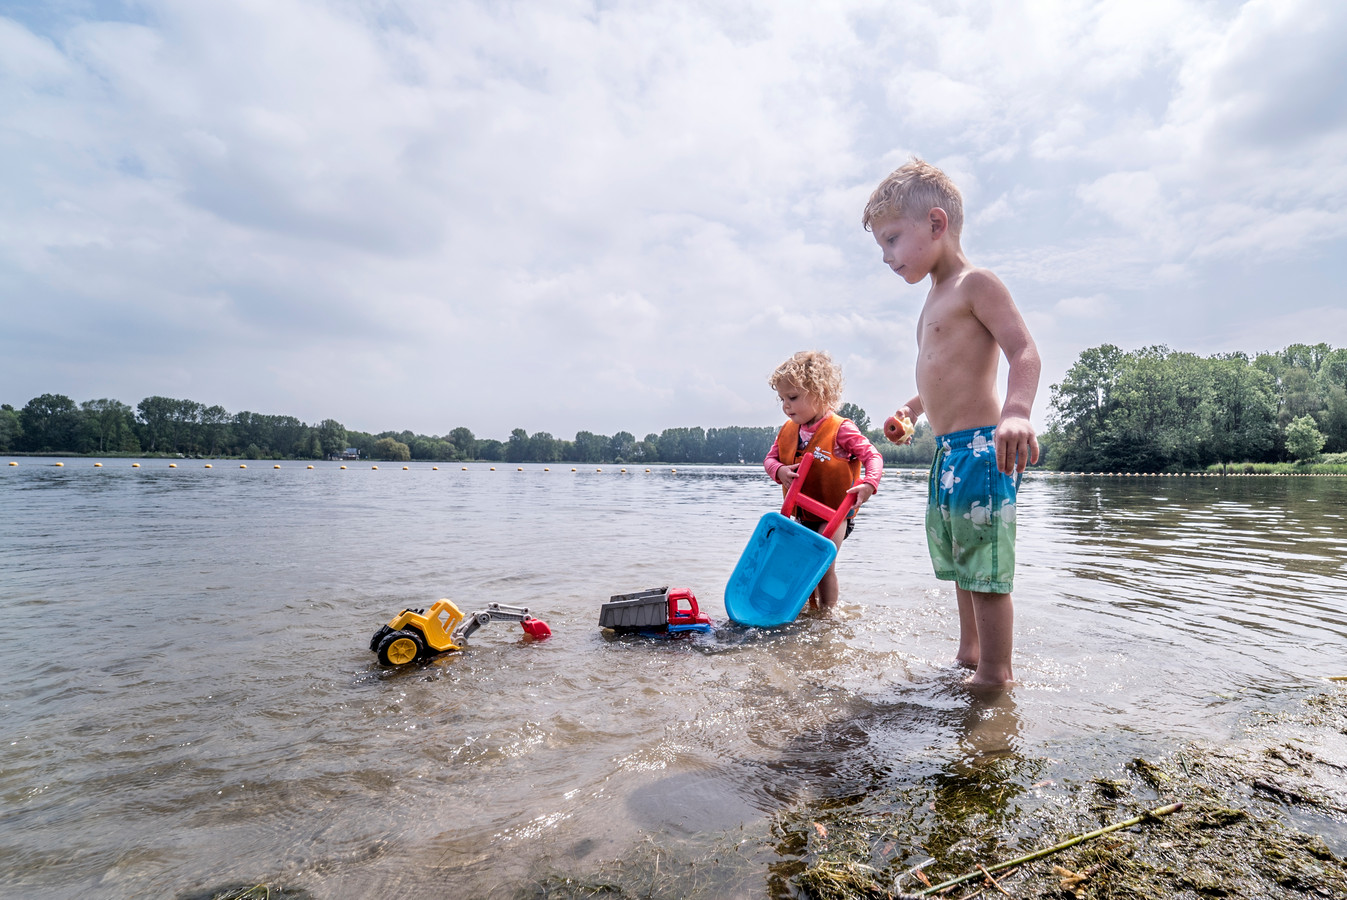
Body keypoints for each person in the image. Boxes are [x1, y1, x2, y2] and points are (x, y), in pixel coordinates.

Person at [862, 159, 1041, 686]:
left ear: (936, 225)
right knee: (962, 556)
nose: (887, 256)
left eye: (893, 239)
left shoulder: (975, 283)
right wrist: (911, 411)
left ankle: (995, 675)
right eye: (881, 246)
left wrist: (1016, 414)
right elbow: (946, 373)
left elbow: (1024, 352)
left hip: (984, 449)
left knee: (985, 566)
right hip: (948, 452)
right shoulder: (932, 299)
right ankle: (969, 653)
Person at [763, 350, 884, 611]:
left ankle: (828, 616)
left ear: (820, 394)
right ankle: (808, 611)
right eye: (782, 398)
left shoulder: (841, 429)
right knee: (800, 563)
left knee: (823, 562)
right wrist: (780, 471)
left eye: (793, 397)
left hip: (835, 514)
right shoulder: (788, 430)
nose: (786, 405)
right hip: (802, 513)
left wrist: (869, 483)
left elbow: (872, 456)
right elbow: (770, 460)